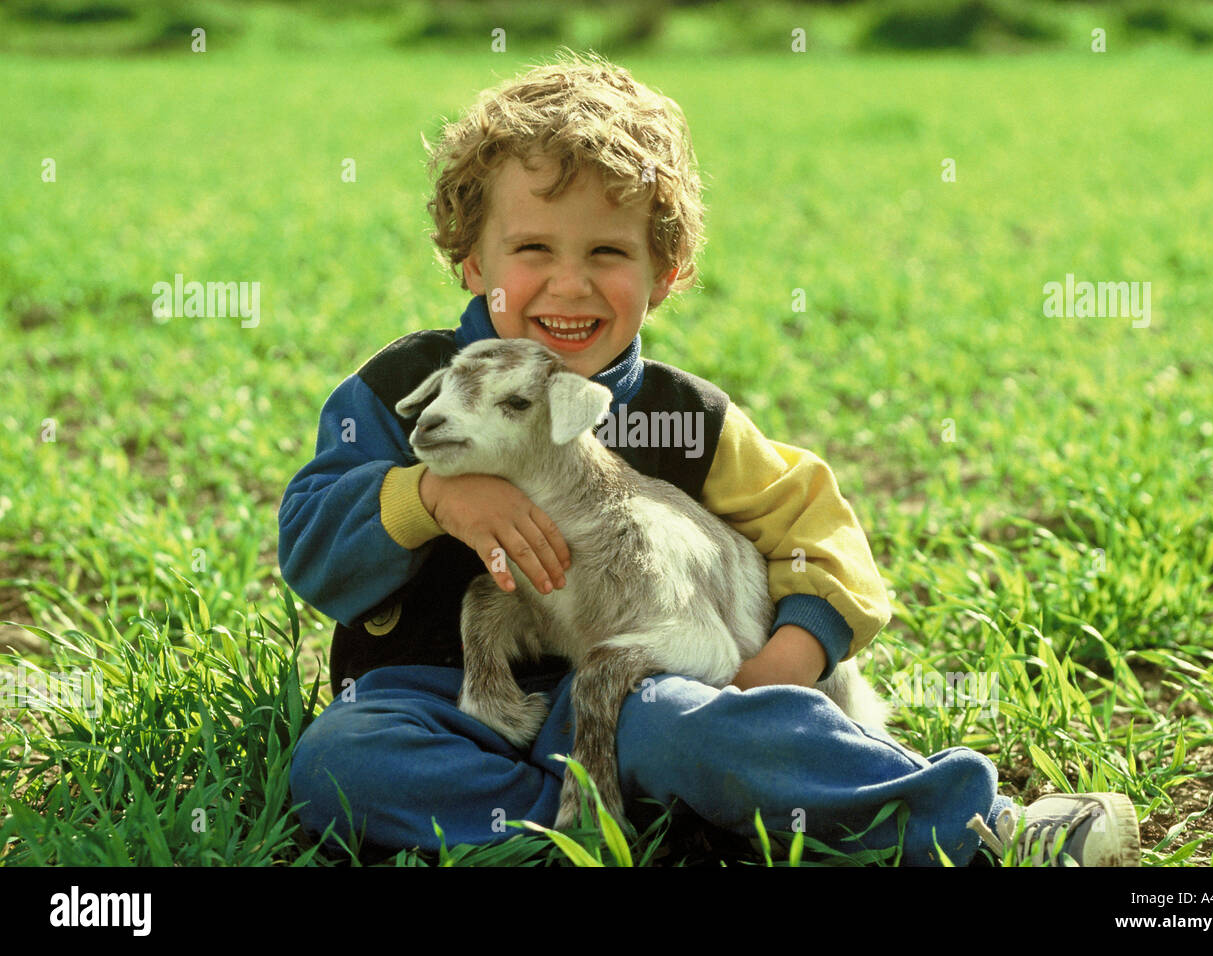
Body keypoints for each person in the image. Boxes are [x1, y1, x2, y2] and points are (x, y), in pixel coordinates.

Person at [278, 50, 1140, 866]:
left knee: (702, 729)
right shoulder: (404, 389)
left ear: (667, 271)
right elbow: (310, 542)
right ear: (473, 261)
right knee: (341, 761)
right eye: (533, 249)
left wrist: (786, 664)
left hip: (640, 701)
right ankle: (608, 820)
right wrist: (431, 497)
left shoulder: (688, 421)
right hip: (441, 706)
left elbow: (818, 530)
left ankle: (979, 828)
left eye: (608, 253)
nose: (570, 285)